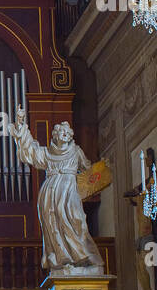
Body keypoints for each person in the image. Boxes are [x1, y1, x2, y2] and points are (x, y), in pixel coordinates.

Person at [10, 106, 104, 275]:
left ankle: (83, 256)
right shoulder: (47, 153)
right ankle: (63, 260)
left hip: (69, 191)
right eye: (61, 132)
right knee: (54, 224)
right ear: (55, 135)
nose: (65, 135)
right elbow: (30, 151)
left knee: (76, 219)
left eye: (67, 133)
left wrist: (101, 171)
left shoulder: (76, 151)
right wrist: (21, 124)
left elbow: (87, 169)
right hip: (50, 192)